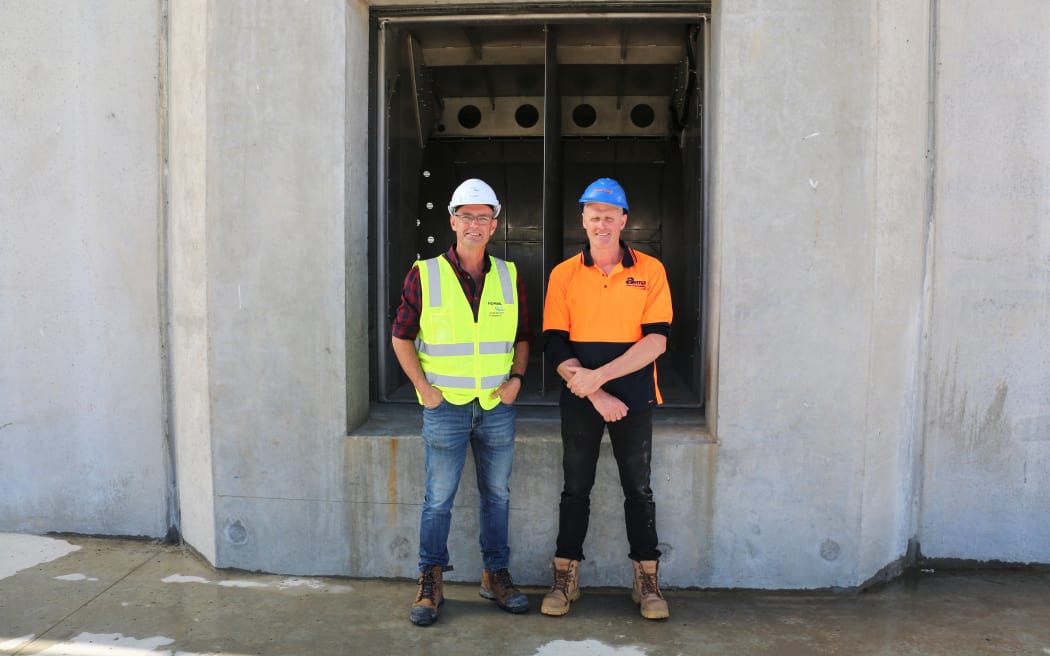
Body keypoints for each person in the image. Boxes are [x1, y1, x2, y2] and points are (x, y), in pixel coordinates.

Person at [391, 178, 532, 627]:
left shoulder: (509, 275)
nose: (475, 224)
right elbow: (401, 338)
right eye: (467, 216)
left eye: (483, 217)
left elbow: (523, 336)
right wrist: (424, 390)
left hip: (496, 405)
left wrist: (517, 379)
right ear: (453, 222)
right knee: (438, 499)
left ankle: (495, 576)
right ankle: (430, 580)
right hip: (445, 407)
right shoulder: (425, 273)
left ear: (494, 225)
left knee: (498, 496)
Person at [539, 178, 673, 621]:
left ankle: (647, 582)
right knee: (575, 488)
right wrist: (596, 393)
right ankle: (564, 579)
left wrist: (601, 378)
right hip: (582, 399)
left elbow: (656, 342)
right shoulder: (563, 274)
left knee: (639, 489)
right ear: (583, 220)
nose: (601, 224)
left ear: (624, 221)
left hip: (633, 396)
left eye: (609, 216)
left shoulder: (650, 271)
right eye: (593, 216)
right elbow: (556, 345)